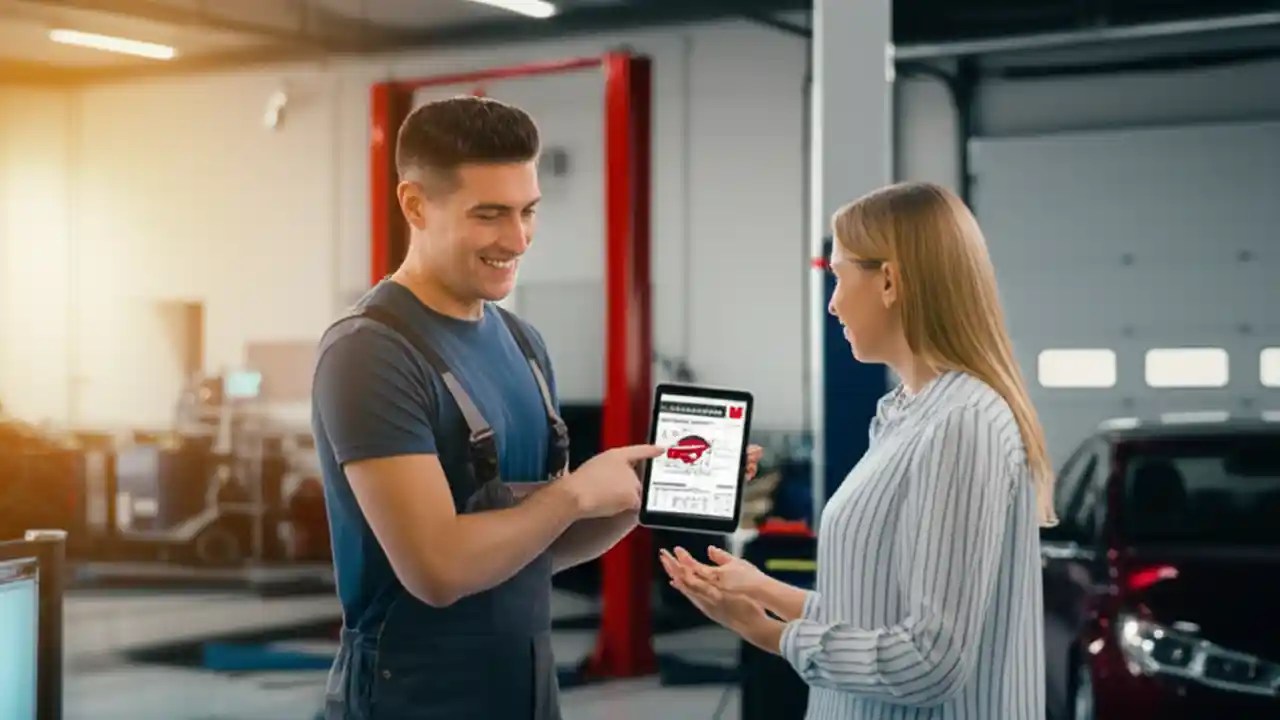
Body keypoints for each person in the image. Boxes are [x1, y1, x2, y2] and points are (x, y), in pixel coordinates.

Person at [311, 96, 762, 720]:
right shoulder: (371, 354)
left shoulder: (523, 345)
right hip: (410, 695)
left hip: (523, 686)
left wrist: (642, 494)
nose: (517, 239)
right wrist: (575, 494)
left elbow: (535, 545)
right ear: (414, 204)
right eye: (489, 215)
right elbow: (437, 568)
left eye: (527, 212)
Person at [661, 181, 1055, 720]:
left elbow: (928, 659)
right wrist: (762, 590)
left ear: (889, 280)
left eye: (839, 276)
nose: (833, 302)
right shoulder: (906, 415)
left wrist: (771, 634)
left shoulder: (962, 424)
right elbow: (877, 616)